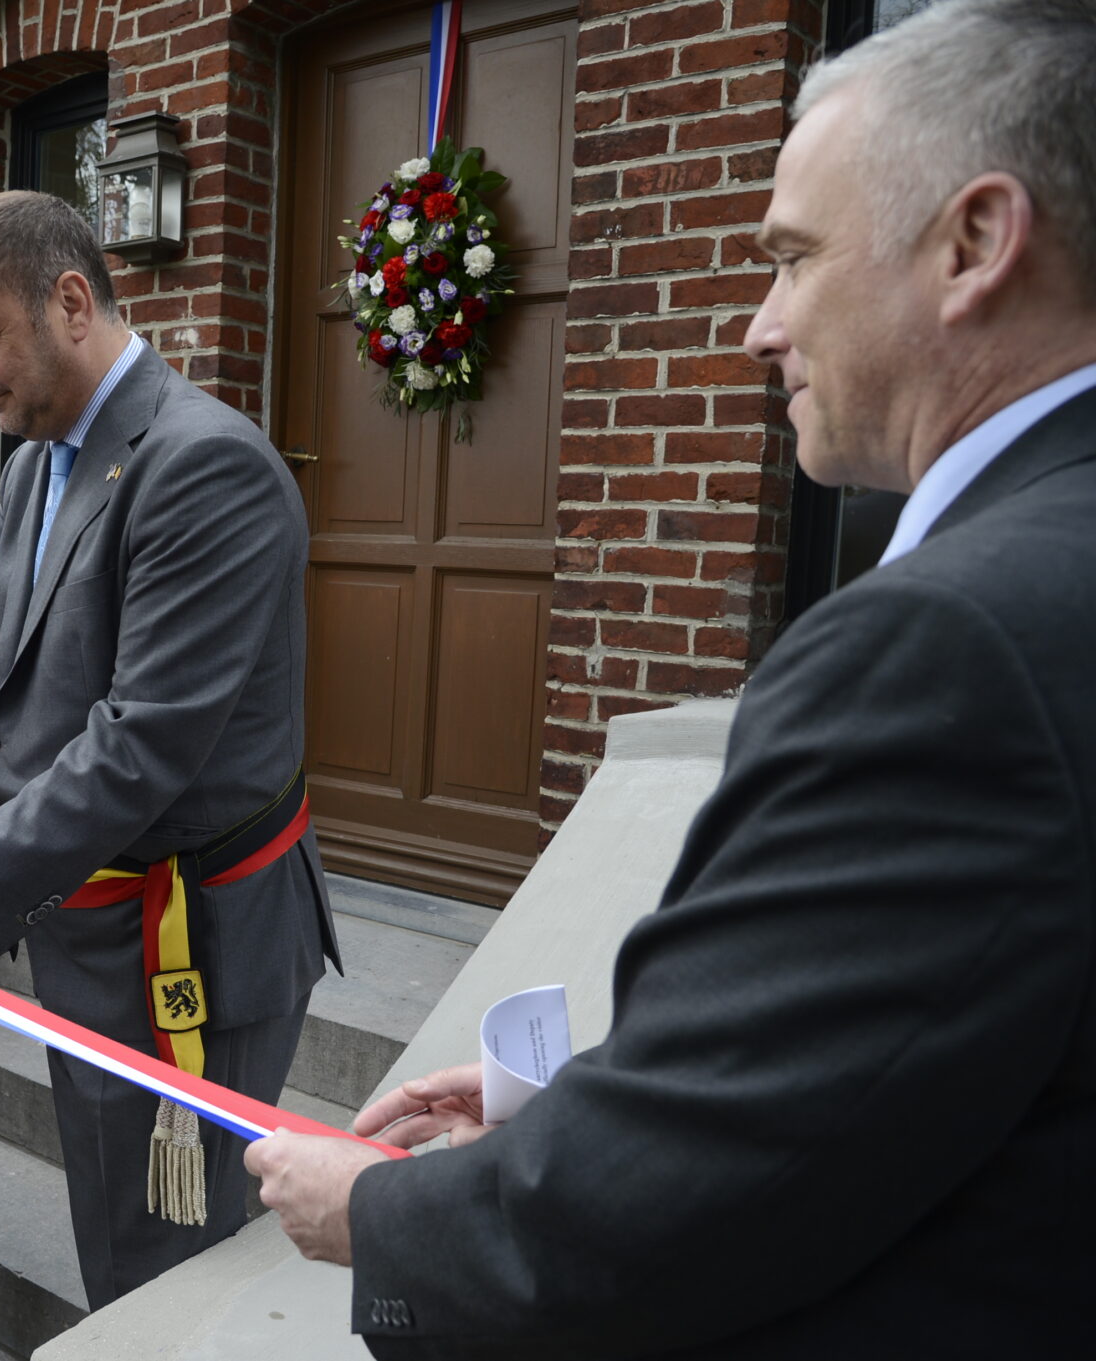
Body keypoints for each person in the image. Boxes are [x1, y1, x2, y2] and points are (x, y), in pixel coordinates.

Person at [245, 1, 1096, 1354]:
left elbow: (665, 1215)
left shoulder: (947, 649)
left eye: (792, 258)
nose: (761, 327)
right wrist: (593, 1096)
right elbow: (895, 1055)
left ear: (974, 243)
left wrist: (383, 1217)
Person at [0, 190, 341, 1309]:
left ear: (69, 298)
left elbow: (140, 744)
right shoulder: (33, 459)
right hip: (87, 916)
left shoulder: (204, 466)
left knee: (163, 1267)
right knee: (116, 1236)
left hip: (187, 939)